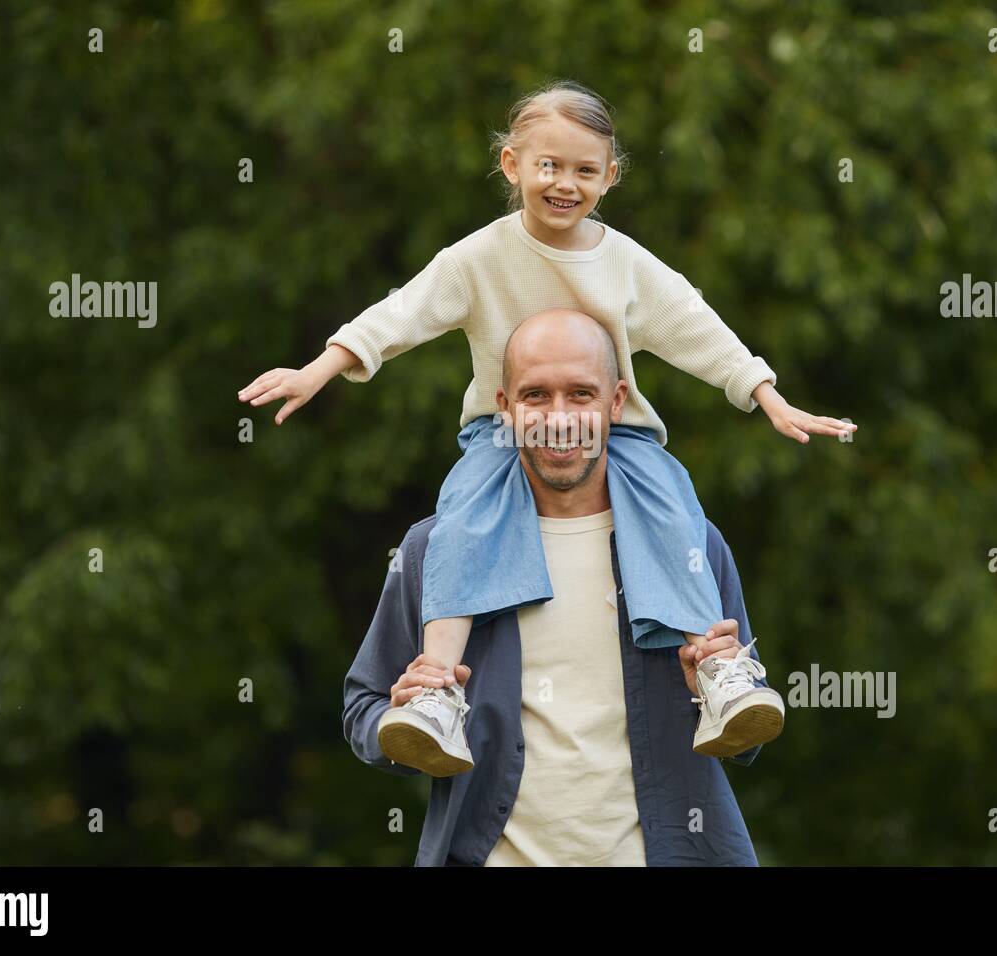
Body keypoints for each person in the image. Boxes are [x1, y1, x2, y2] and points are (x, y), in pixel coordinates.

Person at [239, 80, 856, 775]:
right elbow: (400, 314)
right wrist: (319, 369)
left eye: (585, 170)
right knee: (464, 517)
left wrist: (764, 393)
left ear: (610, 176)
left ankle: (716, 673)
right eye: (549, 166)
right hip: (501, 433)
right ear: (512, 166)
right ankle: (437, 693)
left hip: (614, 432)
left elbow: (694, 326)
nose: (566, 184)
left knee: (671, 505)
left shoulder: (622, 262)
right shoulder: (481, 257)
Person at [344, 309, 781, 865]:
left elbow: (750, 736)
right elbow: (363, 706)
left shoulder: (688, 542)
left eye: (580, 394)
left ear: (616, 402)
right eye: (535, 395)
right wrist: (397, 719)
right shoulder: (437, 549)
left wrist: (703, 693)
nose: (559, 418)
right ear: (503, 406)